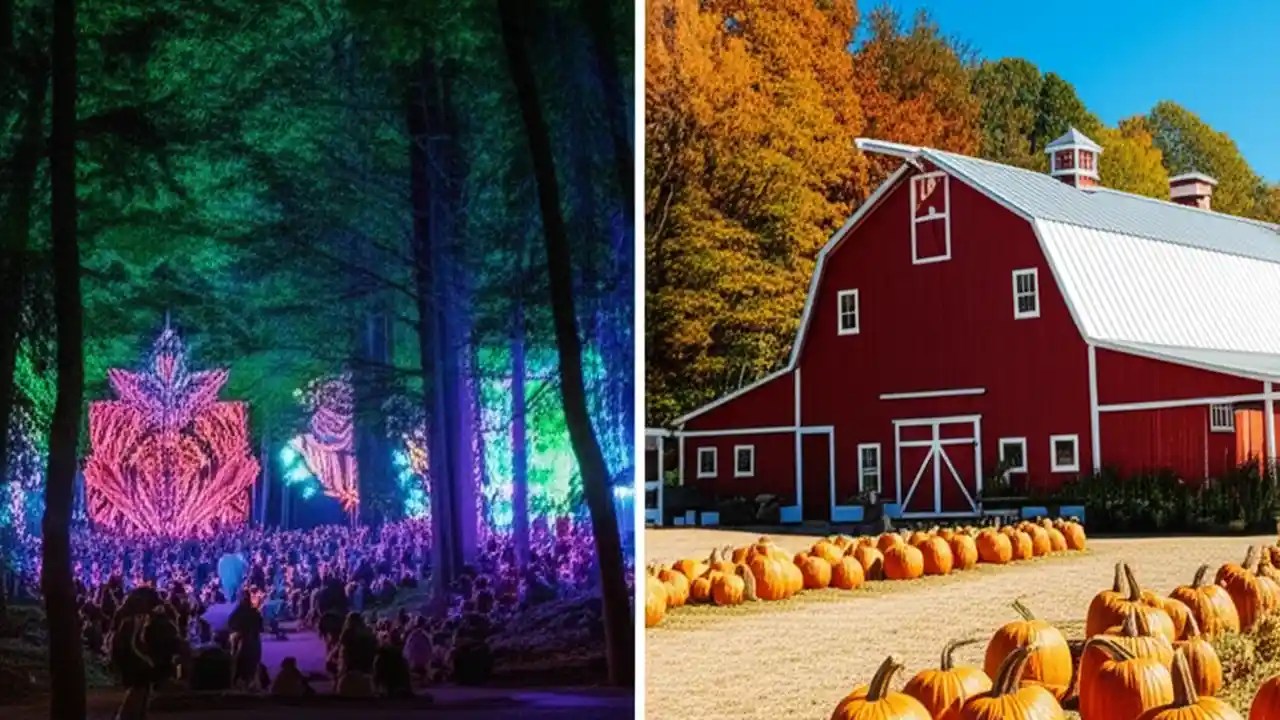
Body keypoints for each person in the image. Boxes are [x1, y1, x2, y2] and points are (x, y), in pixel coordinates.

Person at [227, 590, 263, 690]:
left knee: (240, 664)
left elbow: (231, 624)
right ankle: (250, 684)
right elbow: (260, 626)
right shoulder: (254, 612)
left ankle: (239, 685)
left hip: (242, 641)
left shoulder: (237, 612)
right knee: (252, 664)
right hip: (253, 641)